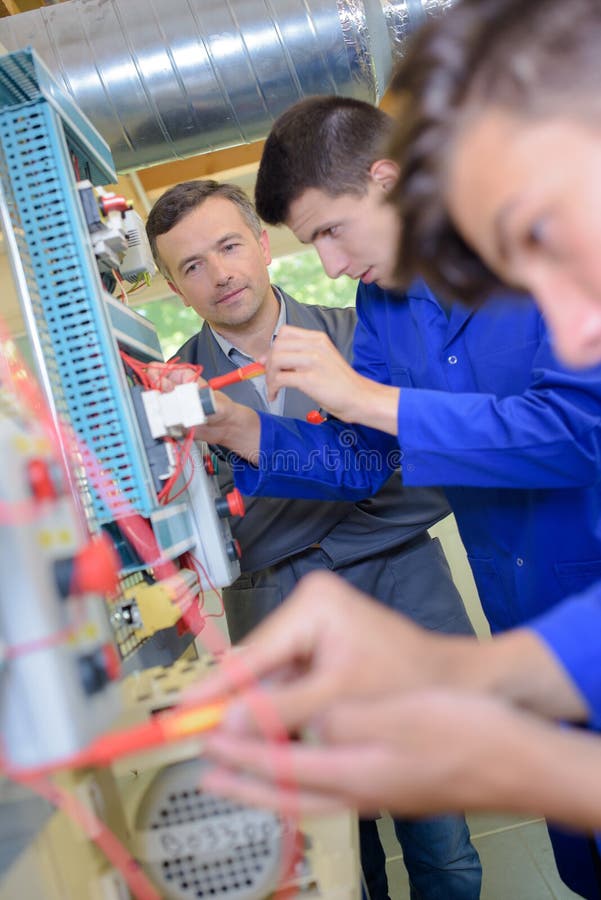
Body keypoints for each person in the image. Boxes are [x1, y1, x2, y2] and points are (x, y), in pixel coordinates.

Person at [182, 0, 601, 889]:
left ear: (384, 178)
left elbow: (577, 432)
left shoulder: (539, 254)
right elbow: (366, 457)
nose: (329, 266)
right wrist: (245, 428)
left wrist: (373, 398)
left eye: (331, 231)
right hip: (523, 609)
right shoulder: (379, 305)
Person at [145, 179, 481, 900]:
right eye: (192, 266)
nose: (220, 272)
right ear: (174, 287)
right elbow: (184, 527)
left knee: (442, 845)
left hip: (399, 601)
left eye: (229, 245)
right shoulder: (168, 396)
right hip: (277, 626)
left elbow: (418, 487)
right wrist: (346, 488)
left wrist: (283, 507)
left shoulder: (359, 339)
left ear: (264, 245)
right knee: (328, 854)